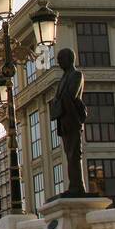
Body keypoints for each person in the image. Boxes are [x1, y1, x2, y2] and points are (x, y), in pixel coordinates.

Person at [50, 47, 88, 195]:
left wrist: (58, 101)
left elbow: (70, 94)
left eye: (60, 60)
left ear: (69, 59)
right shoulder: (63, 78)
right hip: (64, 120)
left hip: (73, 119)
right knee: (69, 154)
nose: (59, 63)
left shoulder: (76, 75)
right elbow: (57, 99)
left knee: (74, 154)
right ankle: (74, 185)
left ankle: (78, 187)